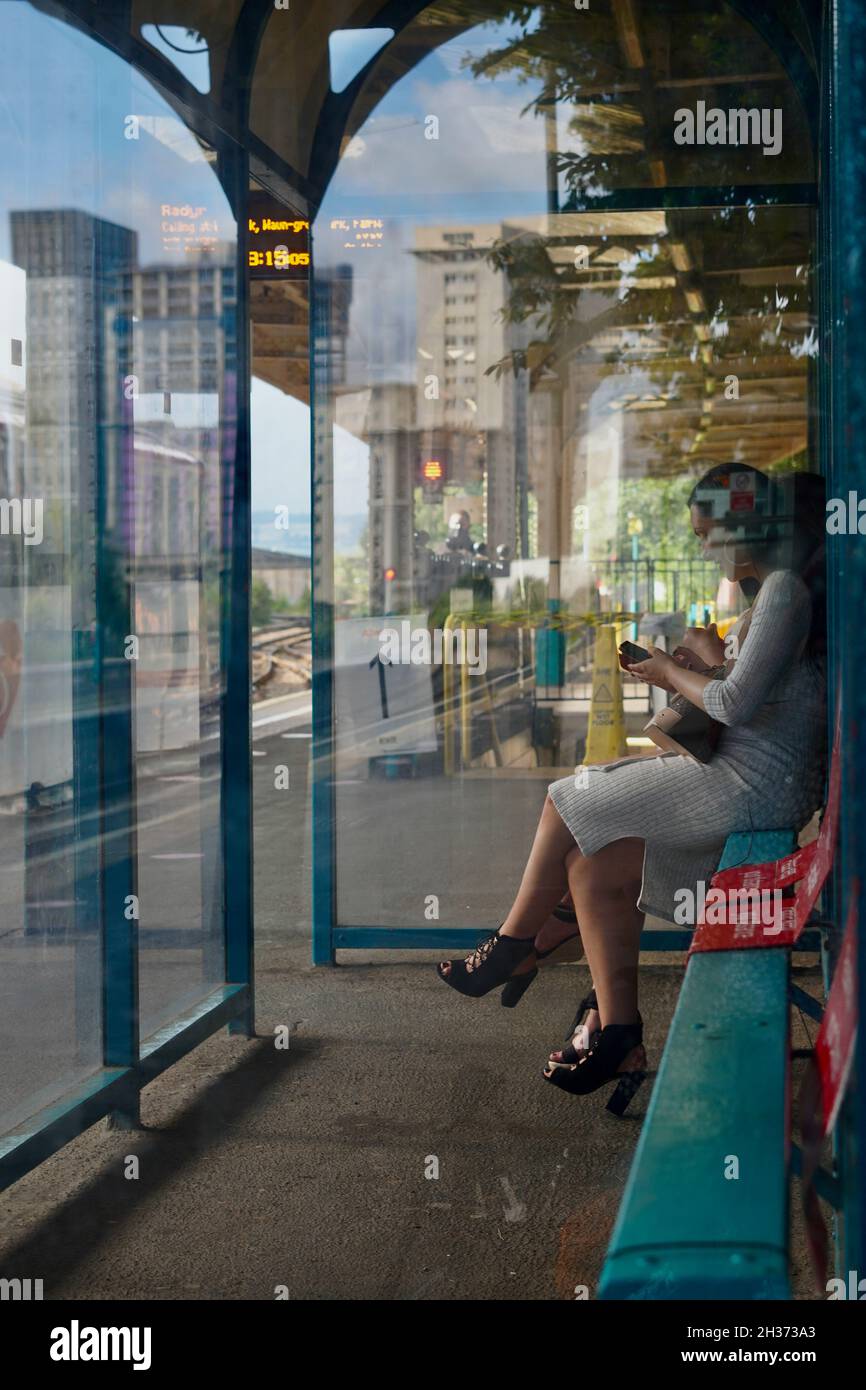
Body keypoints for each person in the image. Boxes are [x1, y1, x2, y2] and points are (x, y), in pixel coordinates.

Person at [436, 463, 828, 1113]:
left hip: (751, 785)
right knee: (592, 866)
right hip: (753, 779)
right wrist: (698, 663)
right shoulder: (779, 593)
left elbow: (731, 703)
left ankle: (515, 945)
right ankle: (619, 1033)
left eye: (709, 535)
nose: (704, 548)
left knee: (568, 797)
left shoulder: (786, 591)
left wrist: (674, 669)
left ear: (744, 526)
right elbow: (753, 693)